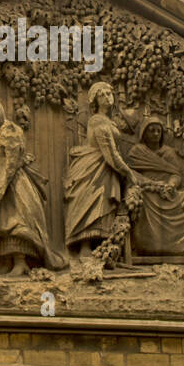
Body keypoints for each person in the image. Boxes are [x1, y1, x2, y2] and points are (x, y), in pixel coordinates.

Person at [0, 96, 65, 275]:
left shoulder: (9, 130)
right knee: (2, 223)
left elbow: (12, 163)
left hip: (15, 182)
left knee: (19, 220)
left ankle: (21, 262)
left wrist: (1, 189)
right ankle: (8, 261)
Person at [63, 82, 143, 256]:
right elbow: (110, 153)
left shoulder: (109, 121)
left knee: (102, 206)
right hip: (95, 167)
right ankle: (85, 249)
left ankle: (100, 250)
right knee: (93, 204)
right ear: (95, 101)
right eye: (102, 95)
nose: (107, 97)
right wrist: (128, 172)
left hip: (105, 168)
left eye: (109, 93)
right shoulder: (98, 120)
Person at [127, 116, 184, 256]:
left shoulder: (169, 152)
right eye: (151, 131)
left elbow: (176, 174)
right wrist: (152, 184)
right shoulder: (137, 151)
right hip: (146, 190)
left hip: (168, 192)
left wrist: (171, 185)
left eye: (158, 131)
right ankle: (146, 246)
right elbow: (131, 174)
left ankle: (182, 247)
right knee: (142, 199)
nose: (155, 134)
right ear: (144, 133)